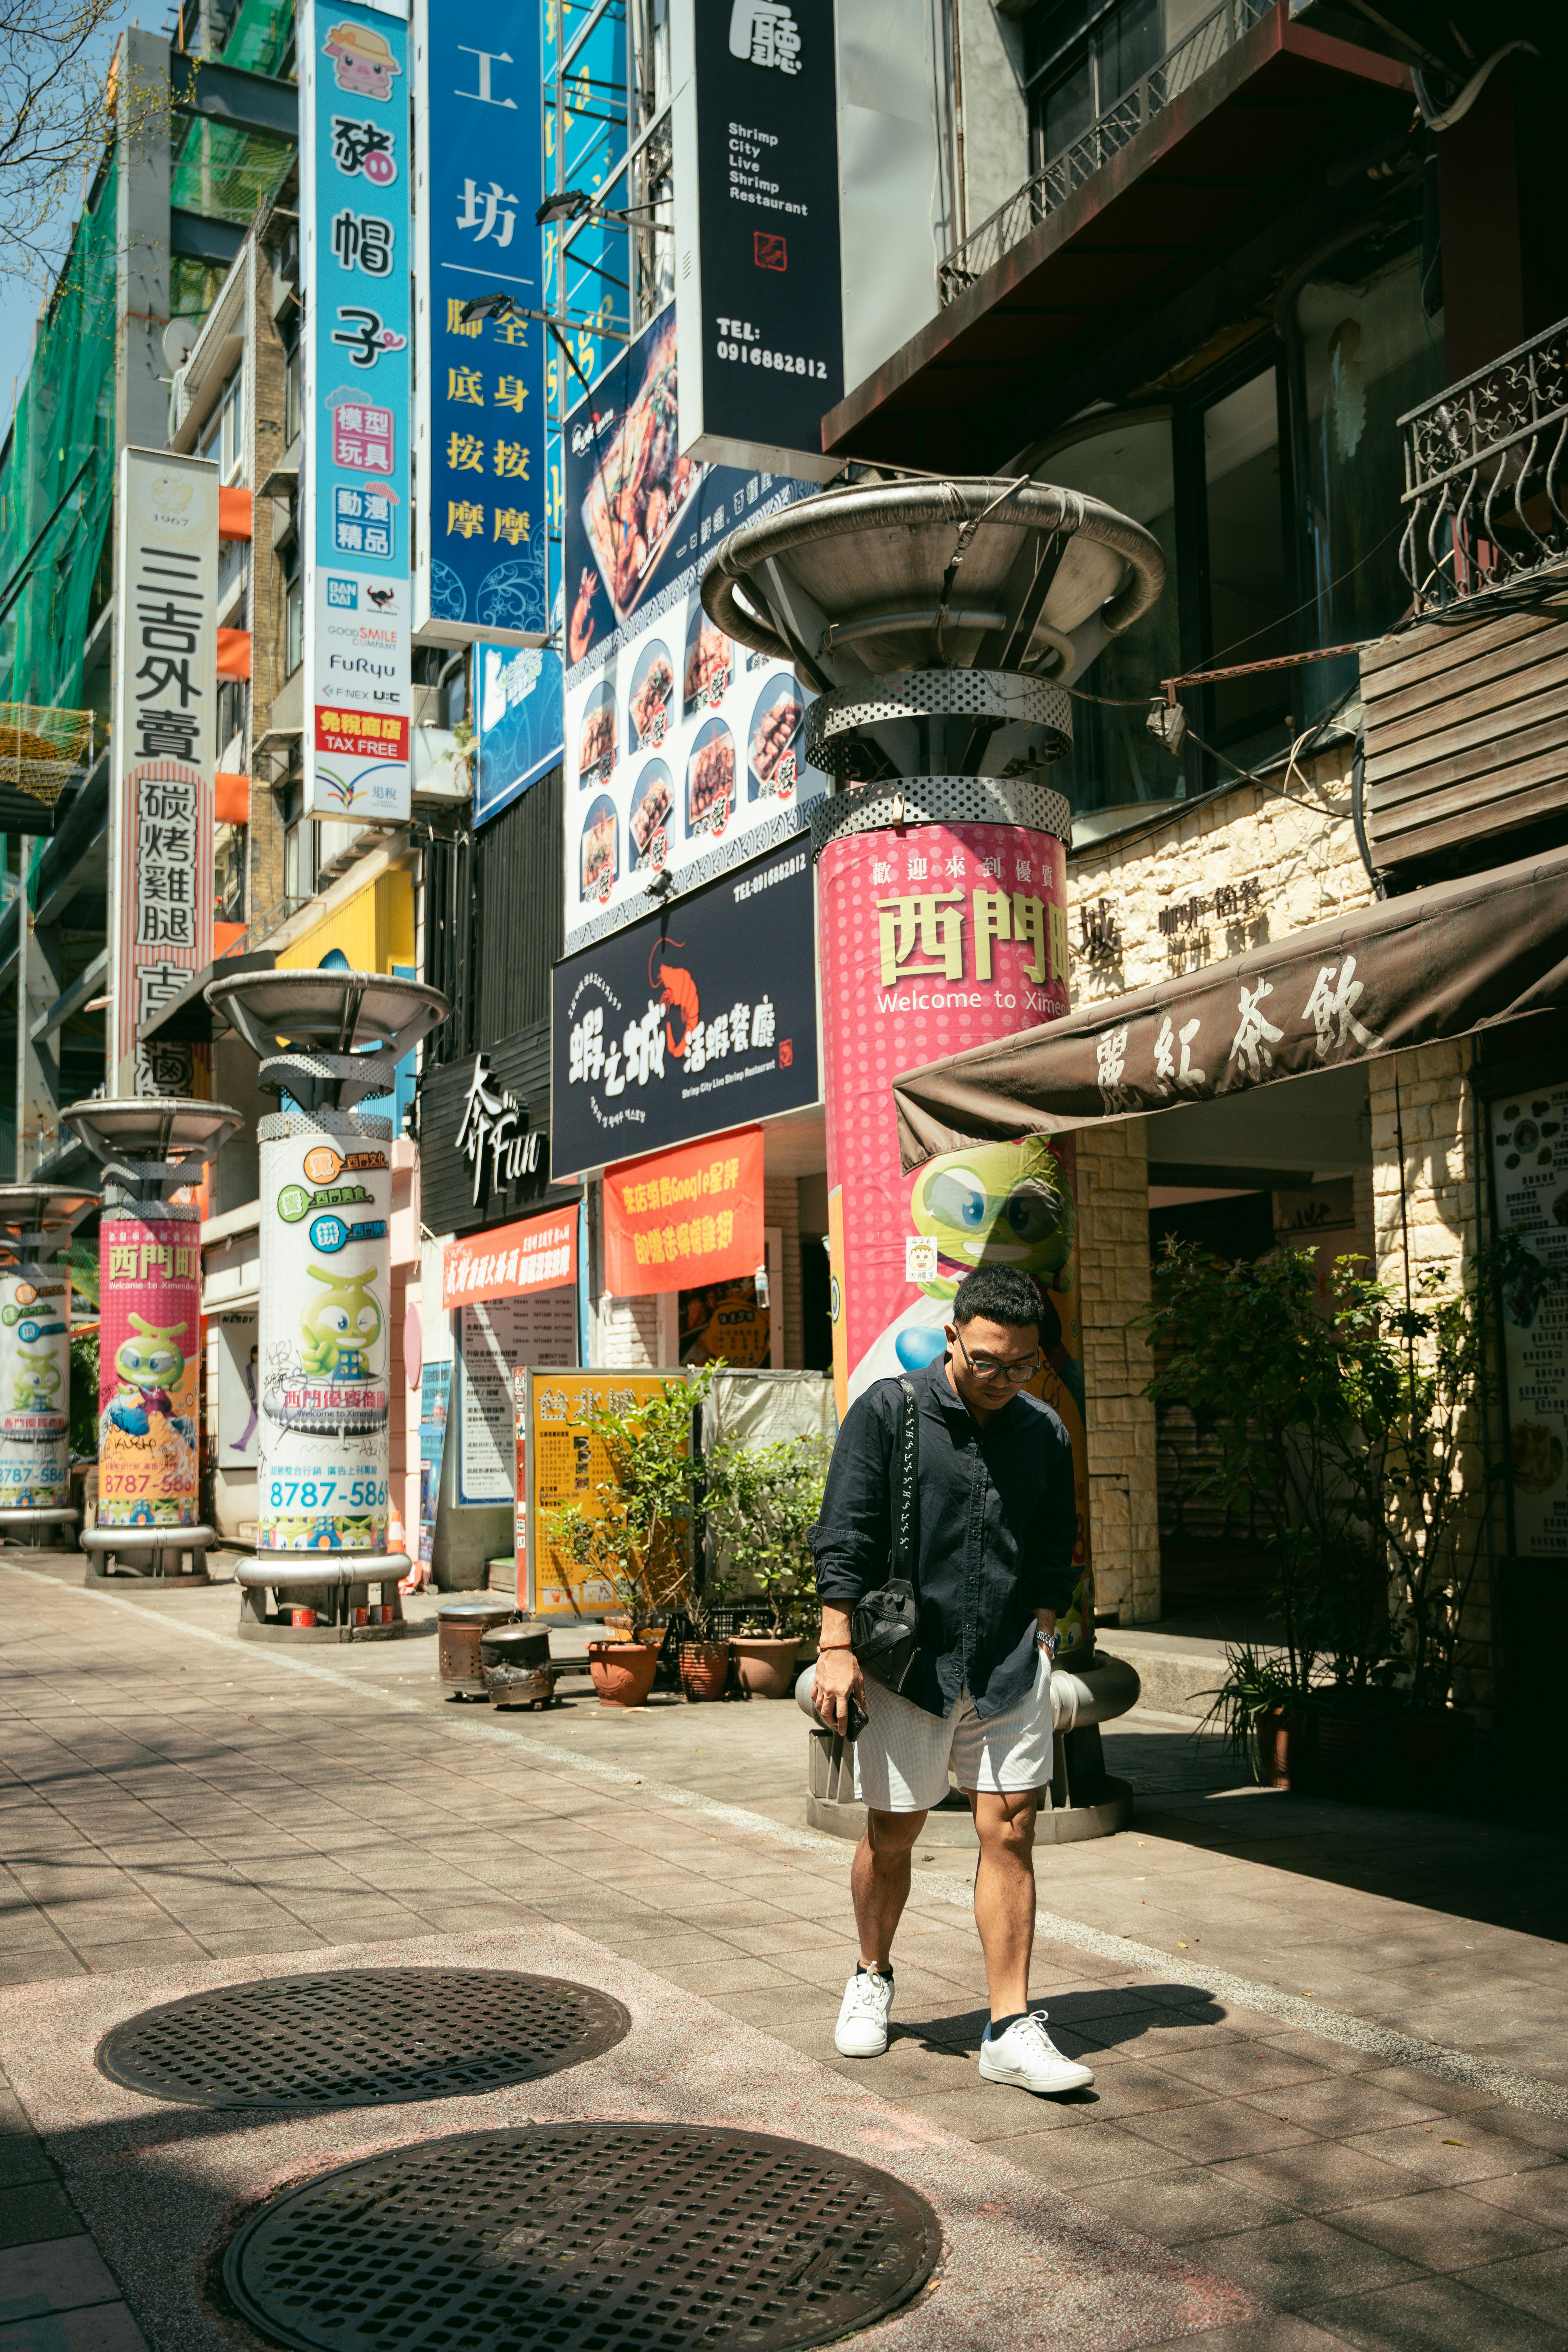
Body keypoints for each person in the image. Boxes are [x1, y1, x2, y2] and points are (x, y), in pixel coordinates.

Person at [809, 1263, 1094, 2097]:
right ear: (951, 1340)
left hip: (1007, 1660)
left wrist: (1044, 1625)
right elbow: (846, 1529)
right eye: (986, 1363)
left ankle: (1009, 2026)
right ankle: (872, 1972)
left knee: (1009, 1832)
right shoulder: (889, 1412)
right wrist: (836, 1644)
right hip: (908, 1665)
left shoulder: (1043, 1428)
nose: (1005, 1381)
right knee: (893, 1831)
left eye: (1022, 1365)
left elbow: (1055, 1537)